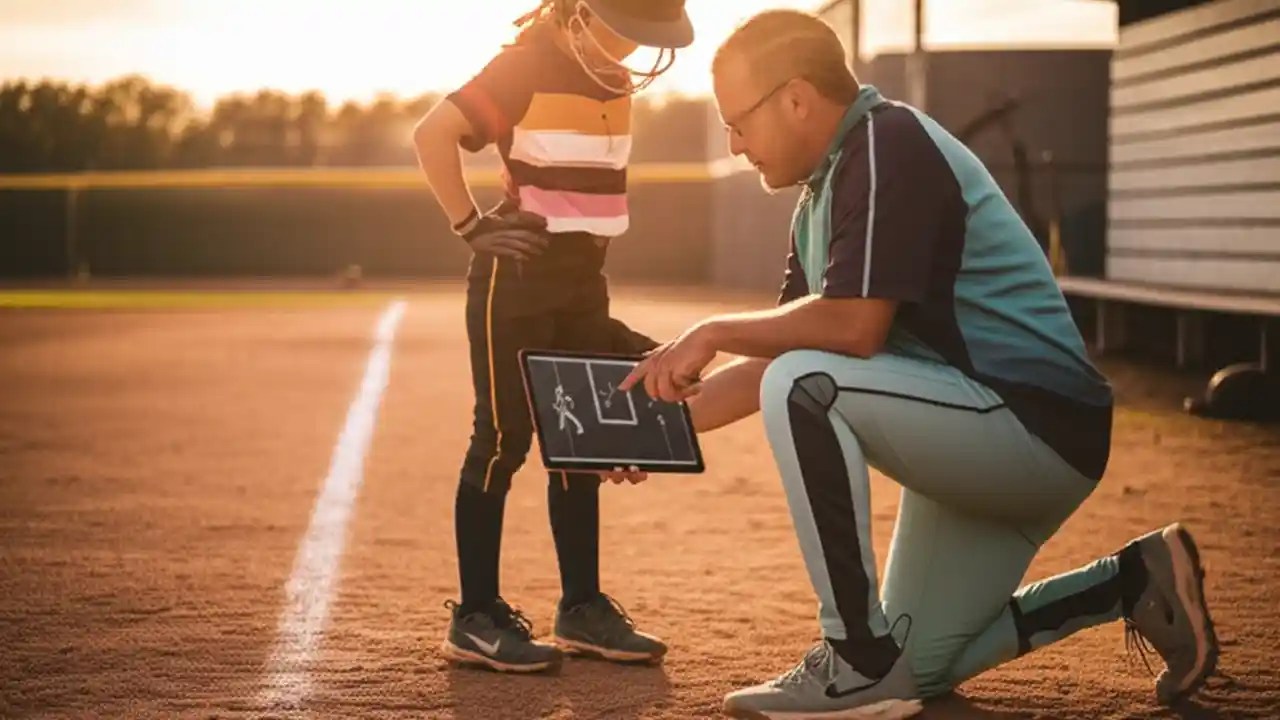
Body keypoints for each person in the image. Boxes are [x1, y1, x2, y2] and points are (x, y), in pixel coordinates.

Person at [621, 10, 1218, 718]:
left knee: (803, 385)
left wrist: (714, 328)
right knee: (923, 668)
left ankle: (855, 657)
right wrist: (653, 436)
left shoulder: (886, 144)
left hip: (1032, 427)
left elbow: (851, 329)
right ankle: (1130, 581)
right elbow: (777, 353)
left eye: (738, 121)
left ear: (795, 98)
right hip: (977, 434)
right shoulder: (824, 189)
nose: (733, 143)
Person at [411, 0, 693, 674]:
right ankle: (475, 615)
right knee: (503, 439)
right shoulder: (525, 65)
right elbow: (431, 134)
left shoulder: (615, 81)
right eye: (627, 31)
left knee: (580, 443)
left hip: (581, 277)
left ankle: (582, 609)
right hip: (516, 274)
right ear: (582, 13)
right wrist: (469, 224)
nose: (634, 50)